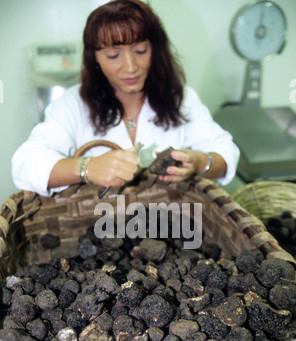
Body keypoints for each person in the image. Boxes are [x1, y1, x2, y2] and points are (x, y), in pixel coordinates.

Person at [12, 0, 240, 197]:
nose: (131, 67)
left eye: (140, 50)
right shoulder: (72, 105)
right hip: (96, 224)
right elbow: (25, 165)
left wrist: (200, 163)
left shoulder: (182, 98)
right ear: (95, 59)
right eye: (113, 55)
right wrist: (86, 168)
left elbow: (225, 153)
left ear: (155, 49)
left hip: (167, 221)